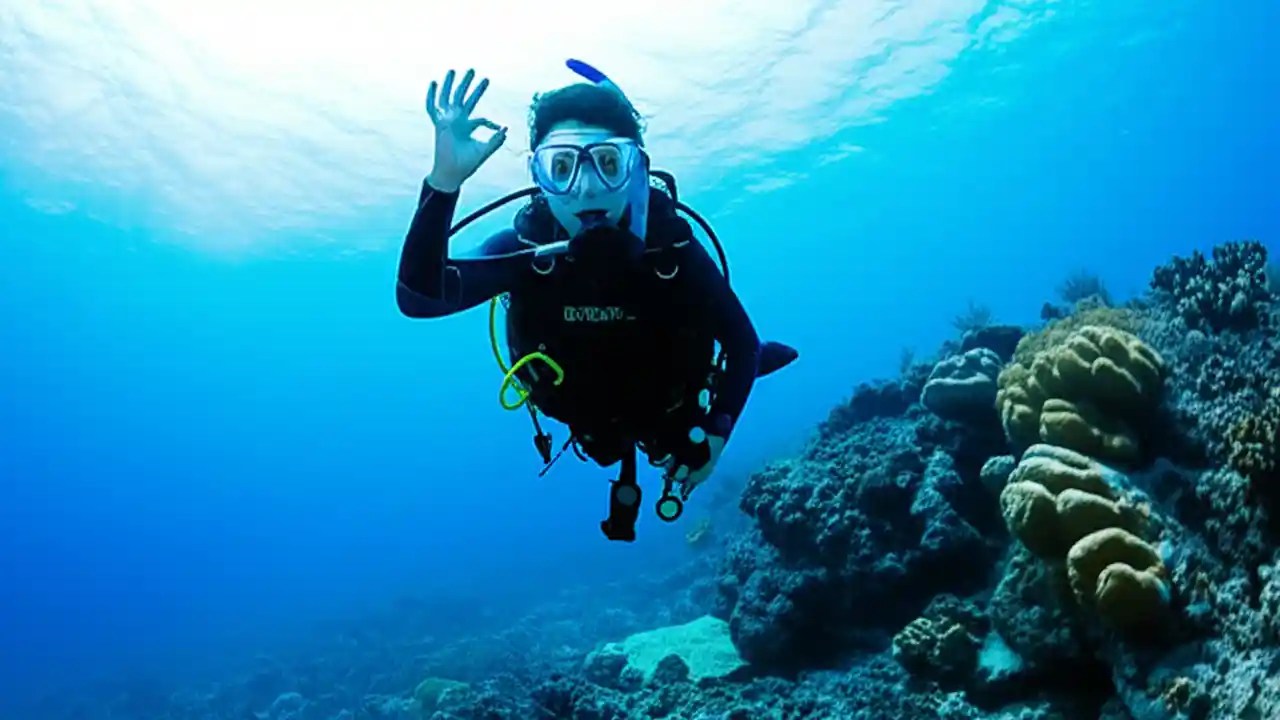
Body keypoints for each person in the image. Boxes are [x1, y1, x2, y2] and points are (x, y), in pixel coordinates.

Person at [395, 61, 797, 542]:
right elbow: (418, 297)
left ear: (635, 170)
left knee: (689, 428)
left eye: (608, 163)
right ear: (539, 177)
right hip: (584, 416)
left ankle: (732, 382)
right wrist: (444, 182)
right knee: (606, 449)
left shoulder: (670, 249)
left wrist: (718, 432)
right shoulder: (526, 252)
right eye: (561, 167)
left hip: (669, 406)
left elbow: (741, 340)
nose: (585, 187)